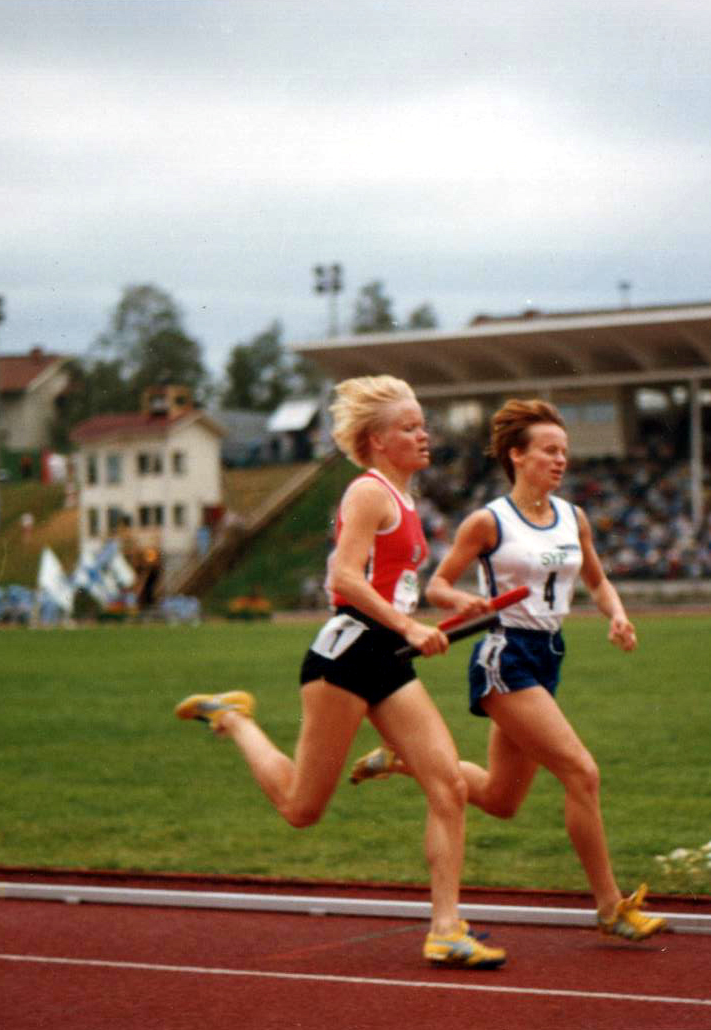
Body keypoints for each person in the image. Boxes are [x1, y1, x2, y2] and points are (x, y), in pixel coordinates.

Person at [174, 375, 505, 970]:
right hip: (346, 657)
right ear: (378, 440)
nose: (424, 435)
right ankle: (233, 719)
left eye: (423, 424)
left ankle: (446, 929)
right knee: (303, 808)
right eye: (410, 427)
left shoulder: (405, 499)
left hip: (388, 659)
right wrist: (407, 629)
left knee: (448, 785)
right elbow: (345, 578)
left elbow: (391, 590)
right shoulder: (368, 492)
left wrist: (443, 612)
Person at [350, 399, 665, 943]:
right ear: (517, 456)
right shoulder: (489, 521)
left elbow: (596, 579)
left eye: (564, 452)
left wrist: (617, 615)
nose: (560, 460)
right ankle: (610, 907)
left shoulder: (574, 517)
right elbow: (438, 586)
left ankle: (404, 762)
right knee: (581, 773)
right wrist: (470, 601)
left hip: (548, 655)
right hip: (505, 656)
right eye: (549, 451)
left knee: (501, 799)